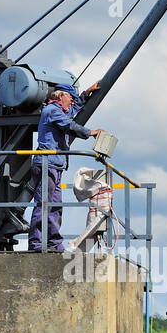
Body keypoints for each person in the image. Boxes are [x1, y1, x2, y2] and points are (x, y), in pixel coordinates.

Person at [28, 81, 101, 252]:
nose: (73, 102)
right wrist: (90, 132)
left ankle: (53, 243)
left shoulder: (60, 110)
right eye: (71, 98)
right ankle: (36, 244)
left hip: (55, 165)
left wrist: (86, 94)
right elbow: (70, 125)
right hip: (47, 164)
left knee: (54, 206)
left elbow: (74, 111)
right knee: (44, 204)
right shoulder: (52, 111)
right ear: (61, 96)